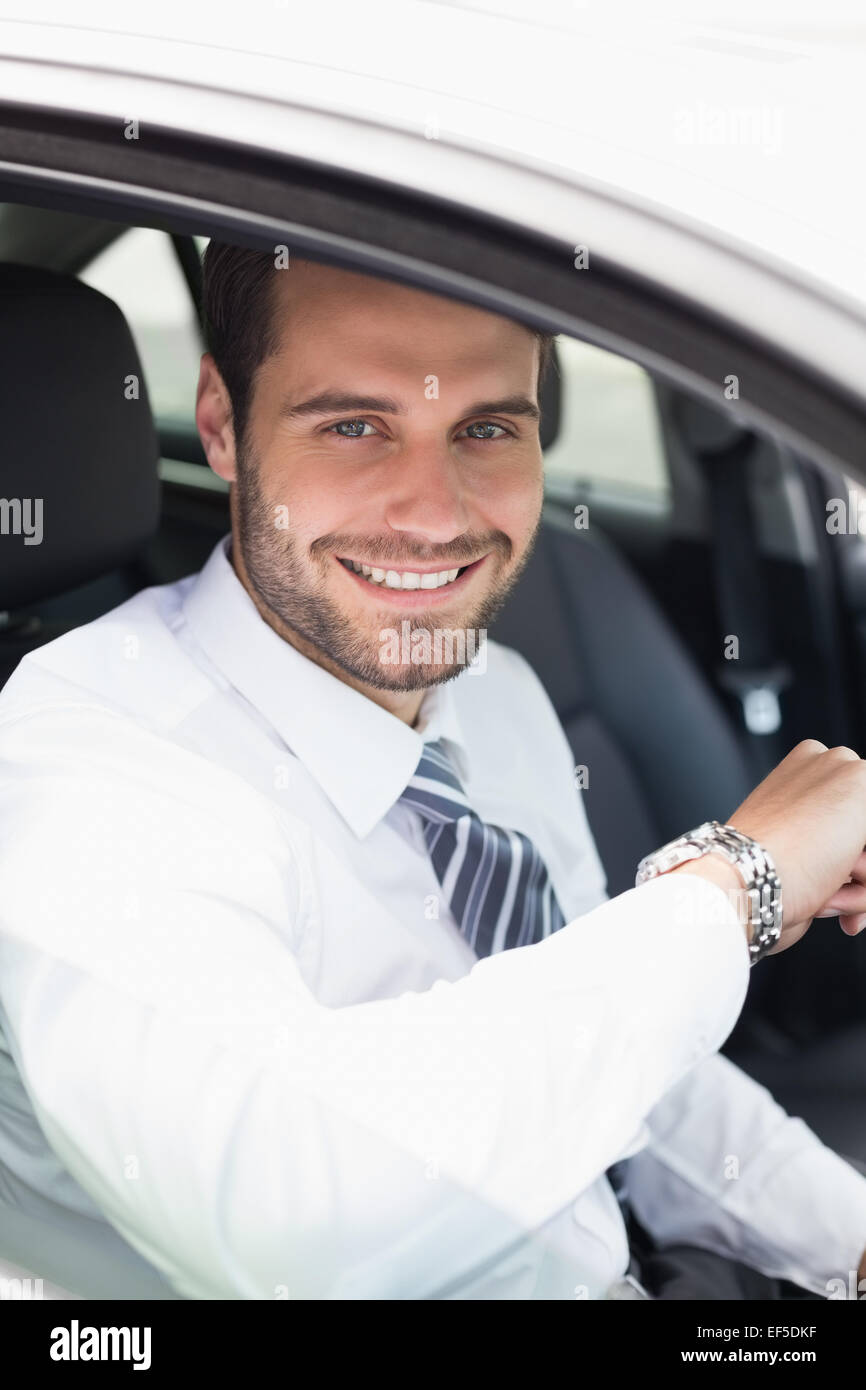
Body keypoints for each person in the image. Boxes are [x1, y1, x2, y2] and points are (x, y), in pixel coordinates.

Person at [1, 244, 866, 1301]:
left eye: (486, 428)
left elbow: (623, 1064)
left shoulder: (497, 694)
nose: (432, 513)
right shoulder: (92, 754)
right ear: (222, 424)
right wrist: (734, 885)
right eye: (353, 426)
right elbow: (293, 1224)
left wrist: (843, 1246)